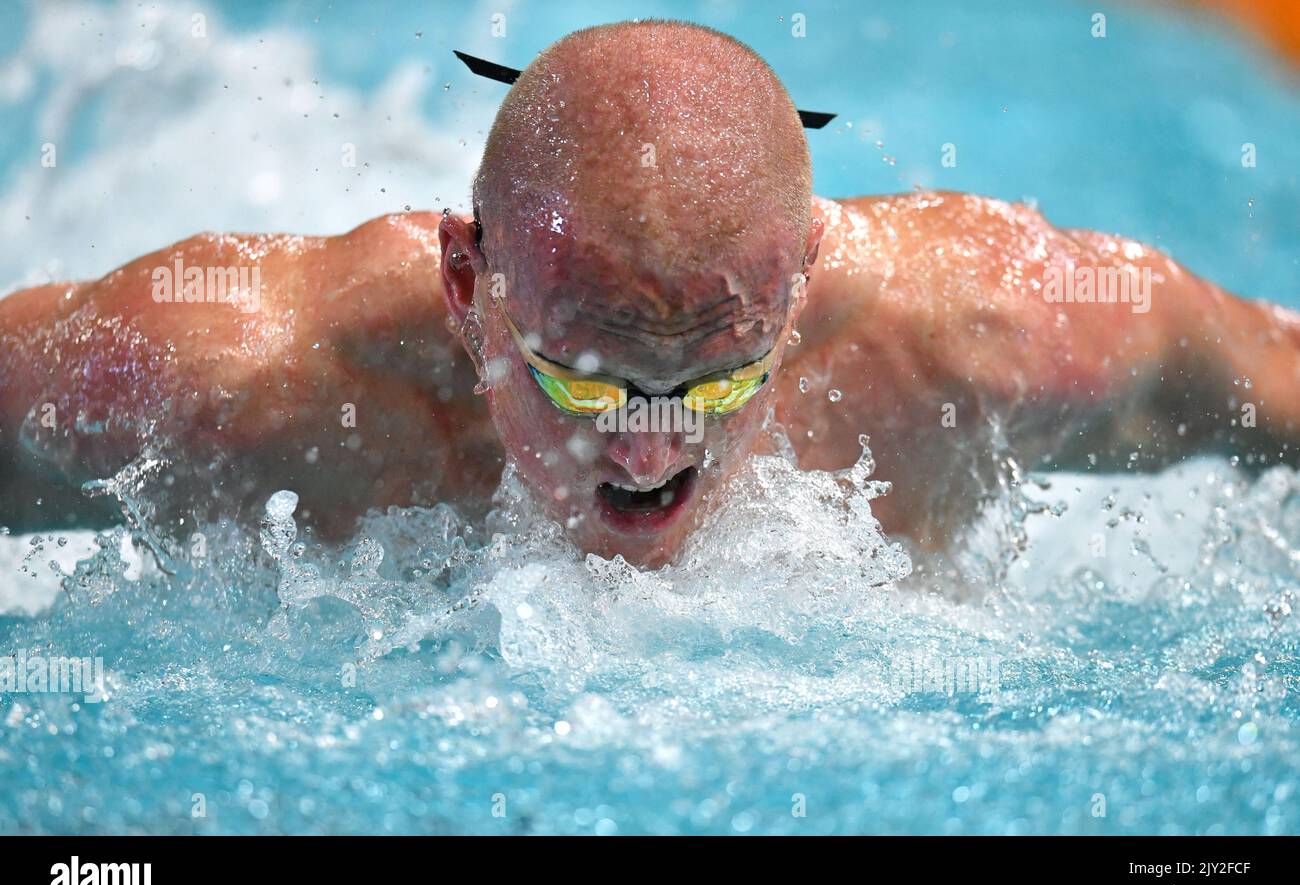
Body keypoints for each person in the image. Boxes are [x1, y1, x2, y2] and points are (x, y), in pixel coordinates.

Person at [1, 21, 1297, 568]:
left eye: (720, 379)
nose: (648, 445)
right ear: (466, 286)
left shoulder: (1002, 336)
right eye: (584, 376)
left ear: (803, 288)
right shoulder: (229, 374)